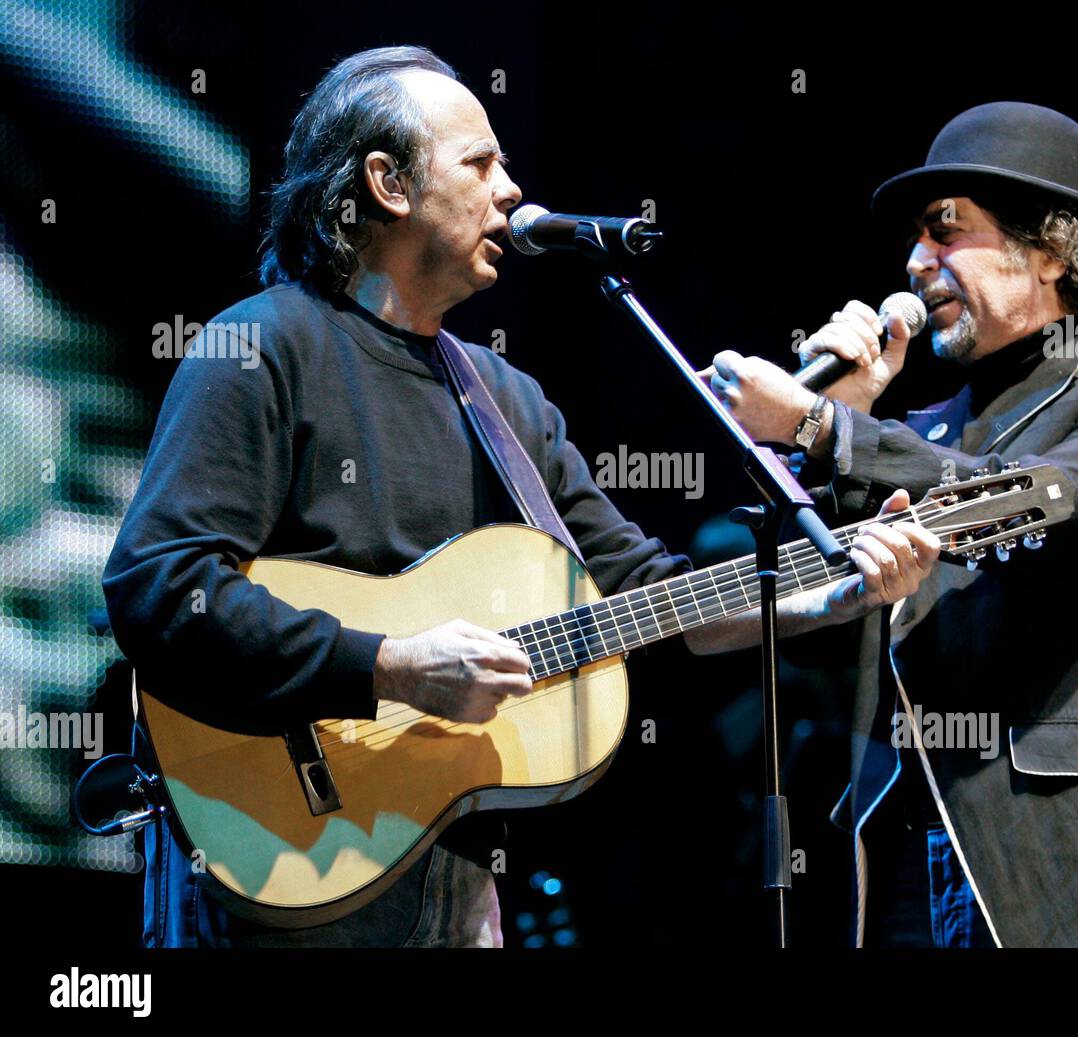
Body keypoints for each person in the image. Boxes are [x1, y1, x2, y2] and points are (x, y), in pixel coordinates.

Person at [101, 45, 938, 948]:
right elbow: (160, 587)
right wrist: (389, 665)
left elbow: (644, 596)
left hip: (451, 878)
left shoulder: (505, 399)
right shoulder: (264, 347)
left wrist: (834, 596)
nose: (512, 190)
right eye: (481, 163)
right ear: (387, 183)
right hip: (267, 865)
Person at [705, 102, 1078, 947]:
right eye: (915, 240)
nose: (916, 263)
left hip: (1055, 855)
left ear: (1052, 250)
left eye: (945, 232)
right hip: (898, 856)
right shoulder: (920, 431)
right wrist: (843, 416)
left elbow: (1040, 502)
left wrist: (826, 428)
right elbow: (825, 630)